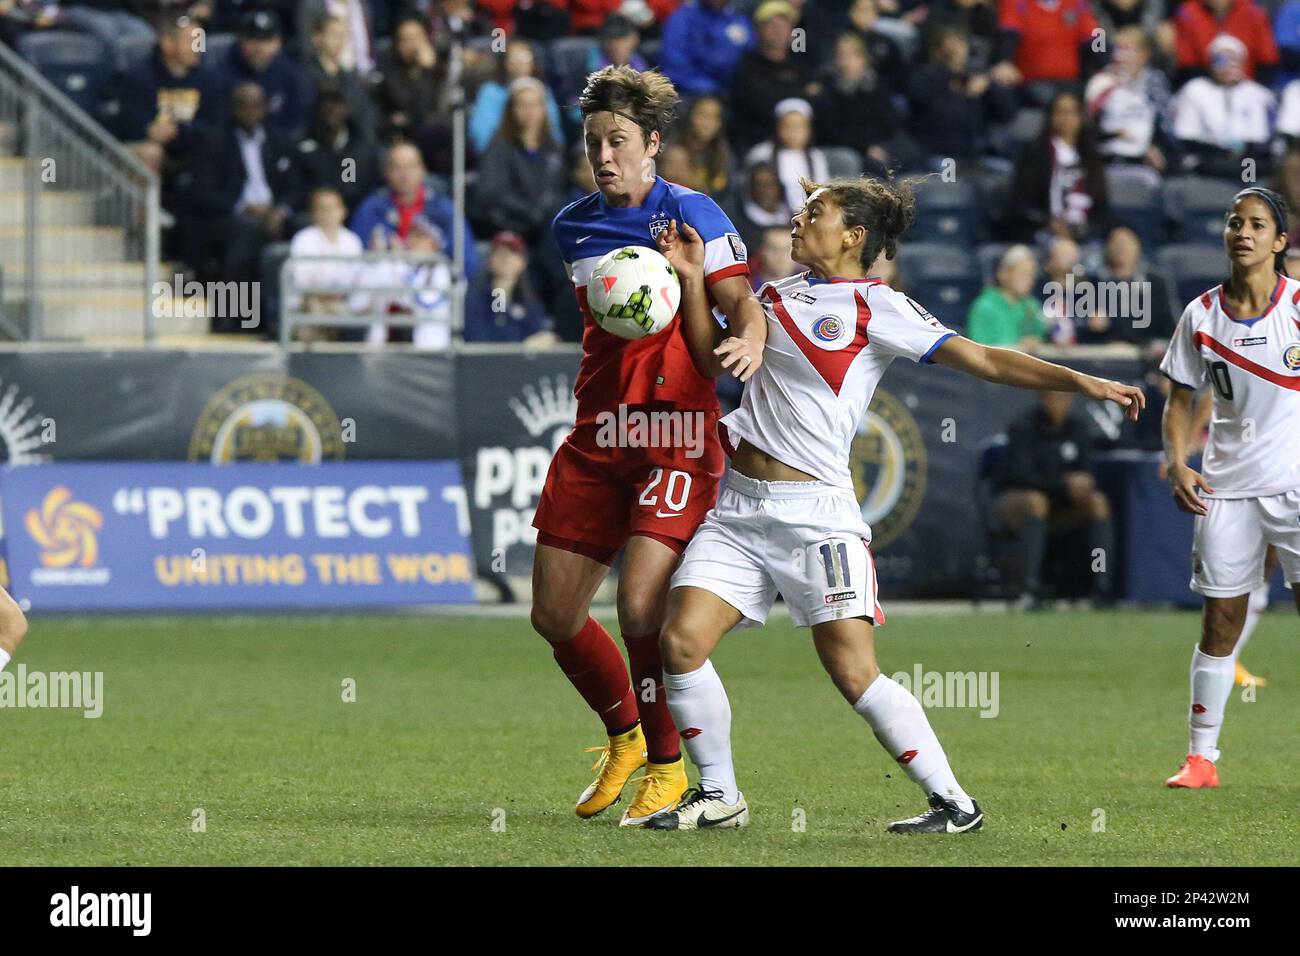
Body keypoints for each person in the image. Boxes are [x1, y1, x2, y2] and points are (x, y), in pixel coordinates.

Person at [644, 174, 1143, 832]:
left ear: (853, 236)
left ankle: (954, 803)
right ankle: (719, 795)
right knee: (679, 642)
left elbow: (986, 362)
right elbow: (711, 364)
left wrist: (1084, 382)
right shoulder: (773, 295)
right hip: (739, 510)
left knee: (853, 671)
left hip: (815, 518)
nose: (797, 219)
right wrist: (686, 279)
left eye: (813, 212)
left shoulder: (879, 307)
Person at [532, 65, 767, 829]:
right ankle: (625, 736)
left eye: (620, 141)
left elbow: (742, 306)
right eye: (595, 142)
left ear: (653, 143)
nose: (605, 156)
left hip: (675, 436)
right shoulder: (574, 225)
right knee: (555, 615)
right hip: (600, 435)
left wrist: (753, 341)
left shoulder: (693, 212)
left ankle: (669, 766)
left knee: (640, 603)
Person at [1159, 186, 1300, 789]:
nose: (1242, 232)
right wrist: (1178, 462)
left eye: (1257, 224)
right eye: (1234, 222)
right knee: (1221, 621)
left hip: (1295, 486)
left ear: (1280, 241)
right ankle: (1201, 759)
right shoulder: (1201, 313)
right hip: (1226, 489)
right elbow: (1179, 399)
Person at [188, 82, 303, 313]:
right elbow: (202, 193)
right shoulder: (214, 142)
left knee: (305, 226)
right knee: (246, 230)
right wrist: (243, 207)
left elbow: (296, 187)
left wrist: (280, 211)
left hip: (275, 212)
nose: (251, 113)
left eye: (256, 106)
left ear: (265, 109)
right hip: (229, 216)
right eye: (244, 107)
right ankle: (233, 313)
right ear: (233, 109)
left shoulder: (279, 141)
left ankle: (296, 312)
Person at [995, 391, 1115, 607]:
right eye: (1055, 397)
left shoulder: (1077, 427)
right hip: (1019, 502)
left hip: (1061, 504)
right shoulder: (1023, 426)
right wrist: (1062, 483)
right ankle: (1029, 588)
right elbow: (1020, 475)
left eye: (1065, 397)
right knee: (1036, 502)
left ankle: (1101, 584)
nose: (1061, 403)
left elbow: (1087, 469)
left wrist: (1082, 482)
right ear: (1043, 397)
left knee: (1097, 503)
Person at [349, 143, 477, 279]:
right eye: (397, 168)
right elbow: (354, 260)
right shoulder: (371, 209)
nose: (404, 175)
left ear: (423, 170)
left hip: (432, 291)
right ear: (386, 173)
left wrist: (433, 258)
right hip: (383, 291)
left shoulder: (444, 211)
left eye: (410, 167)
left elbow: (467, 264)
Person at [117, 12, 224, 174]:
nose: (198, 47)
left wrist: (180, 130)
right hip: (151, 146)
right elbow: (126, 122)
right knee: (150, 153)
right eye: (191, 41)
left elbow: (215, 123)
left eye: (199, 41)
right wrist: (148, 130)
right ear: (167, 43)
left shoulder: (209, 78)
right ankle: (147, 200)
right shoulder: (140, 76)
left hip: (191, 145)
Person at [1009, 90, 1110, 243]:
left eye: (1071, 112)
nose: (1065, 118)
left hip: (1085, 231)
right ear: (1050, 116)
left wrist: (1089, 228)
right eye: (1060, 112)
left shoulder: (1091, 157)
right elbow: (1021, 202)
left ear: (1081, 117)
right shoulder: (1035, 153)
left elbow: (1102, 205)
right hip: (1044, 230)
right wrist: (1049, 222)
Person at [1171, 34, 1275, 181]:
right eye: (1222, 60)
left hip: (1247, 159)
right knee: (1203, 168)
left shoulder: (1259, 94)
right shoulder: (1194, 90)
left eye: (1234, 60)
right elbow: (1186, 135)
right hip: (1208, 157)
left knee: (1252, 173)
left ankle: (1247, 191)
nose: (1228, 66)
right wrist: (1222, 151)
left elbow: (1260, 140)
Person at [213, 9, 311, 139]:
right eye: (253, 39)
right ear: (240, 40)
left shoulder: (287, 71)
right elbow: (216, 124)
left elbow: (299, 118)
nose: (259, 47)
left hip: (279, 148)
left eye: (266, 40)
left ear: (278, 42)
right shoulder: (221, 73)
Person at [287, 186, 364, 340]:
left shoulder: (352, 241)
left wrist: (338, 293)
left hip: (342, 302)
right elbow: (301, 277)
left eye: (333, 207)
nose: (328, 213)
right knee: (311, 319)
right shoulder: (303, 239)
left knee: (355, 314)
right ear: (314, 213)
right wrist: (324, 293)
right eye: (322, 208)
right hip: (311, 302)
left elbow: (356, 277)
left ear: (343, 211)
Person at [462, 231, 553, 344]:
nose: (505, 258)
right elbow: (478, 338)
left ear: (523, 262)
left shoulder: (529, 300)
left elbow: (539, 333)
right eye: (499, 253)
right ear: (489, 261)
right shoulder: (475, 296)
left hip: (522, 361)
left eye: (512, 253)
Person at [744, 99, 830, 214]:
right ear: (777, 128)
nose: (794, 133)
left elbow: (822, 193)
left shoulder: (816, 157)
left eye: (799, 127)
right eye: (788, 126)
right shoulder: (761, 153)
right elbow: (750, 196)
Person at [658, 0, 755, 97]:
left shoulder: (738, 19)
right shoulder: (683, 18)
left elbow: (754, 57)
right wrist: (712, 90)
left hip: (735, 93)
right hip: (691, 92)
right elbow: (675, 68)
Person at [967, 243, 1044, 348]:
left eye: (1031, 275)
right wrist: (1019, 345)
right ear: (1004, 274)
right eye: (1023, 274)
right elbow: (980, 348)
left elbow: (1041, 339)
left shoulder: (1032, 305)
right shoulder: (985, 306)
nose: (1030, 281)